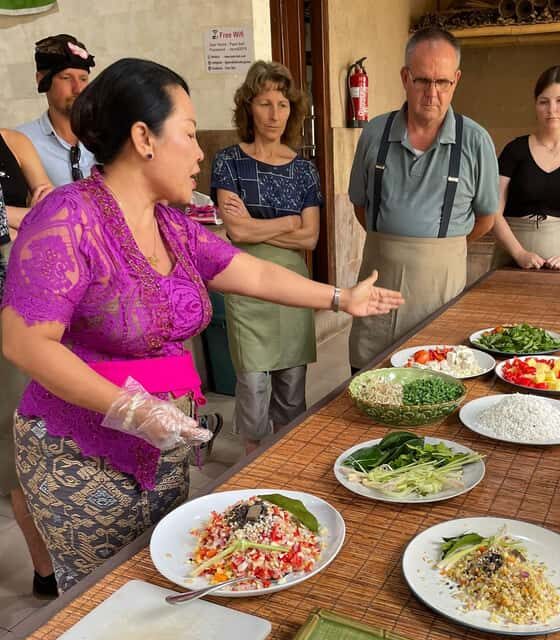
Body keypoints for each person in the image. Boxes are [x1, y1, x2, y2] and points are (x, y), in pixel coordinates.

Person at [1, 58, 403, 593]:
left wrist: (339, 296)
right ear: (144, 137)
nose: (198, 154)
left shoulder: (172, 224)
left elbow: (250, 270)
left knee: (161, 577)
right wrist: (133, 408)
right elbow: (24, 342)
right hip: (81, 453)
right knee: (103, 598)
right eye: (188, 135)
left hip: (164, 439)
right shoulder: (67, 218)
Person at [348, 26, 498, 371]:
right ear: (405, 77)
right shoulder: (375, 135)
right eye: (422, 81)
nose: (433, 93)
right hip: (379, 293)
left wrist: (442, 248)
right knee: (370, 381)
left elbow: (486, 218)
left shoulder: (476, 141)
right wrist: (394, 242)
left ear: (456, 80)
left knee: (437, 381)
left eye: (443, 82)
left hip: (440, 294)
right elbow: (360, 205)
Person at [212, 61, 322, 454]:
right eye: (264, 103)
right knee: (253, 383)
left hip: (294, 285)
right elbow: (237, 232)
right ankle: (252, 459)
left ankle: (288, 458)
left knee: (292, 384)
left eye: (283, 104)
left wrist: (262, 226)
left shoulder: (304, 171)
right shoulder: (228, 162)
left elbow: (311, 237)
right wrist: (289, 220)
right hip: (245, 282)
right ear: (248, 107)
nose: (274, 114)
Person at [0, 132, 57, 596]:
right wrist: (20, 217)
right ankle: (46, 568)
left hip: (22, 303)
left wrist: (23, 220)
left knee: (30, 434)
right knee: (9, 445)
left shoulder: (14, 141)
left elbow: (51, 208)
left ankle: (52, 563)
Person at [492, 66, 560, 271]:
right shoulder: (514, 150)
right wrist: (519, 254)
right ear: (535, 104)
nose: (552, 110)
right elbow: (494, 212)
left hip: (559, 263)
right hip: (510, 259)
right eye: (544, 102)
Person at [16, 33, 96, 187]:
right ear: (41, 80)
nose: (78, 89)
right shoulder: (22, 141)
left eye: (83, 79)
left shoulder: (108, 133)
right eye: (66, 78)